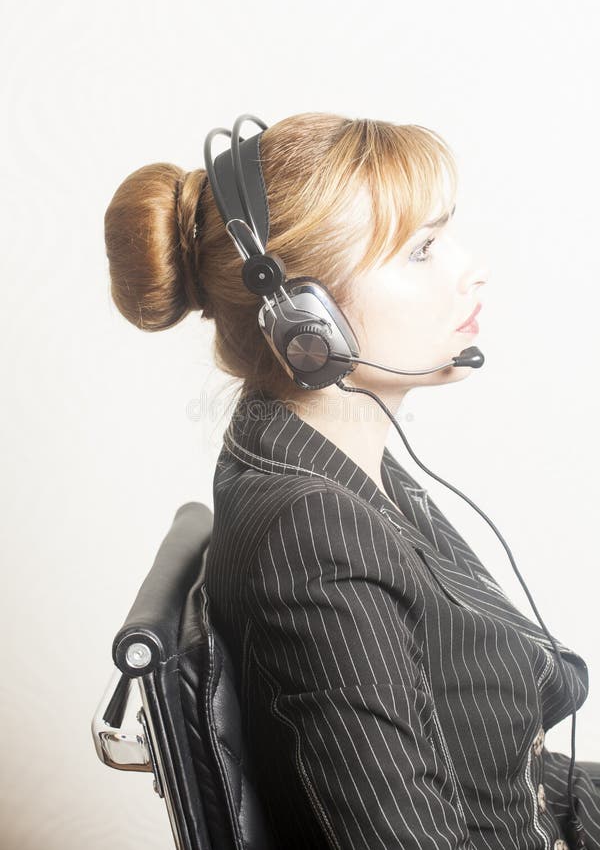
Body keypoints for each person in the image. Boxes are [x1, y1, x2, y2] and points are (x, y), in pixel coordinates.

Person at [104, 112, 600, 850]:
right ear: (307, 319)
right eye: (422, 250)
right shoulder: (313, 534)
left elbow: (482, 767)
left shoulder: (332, 462)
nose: (472, 267)